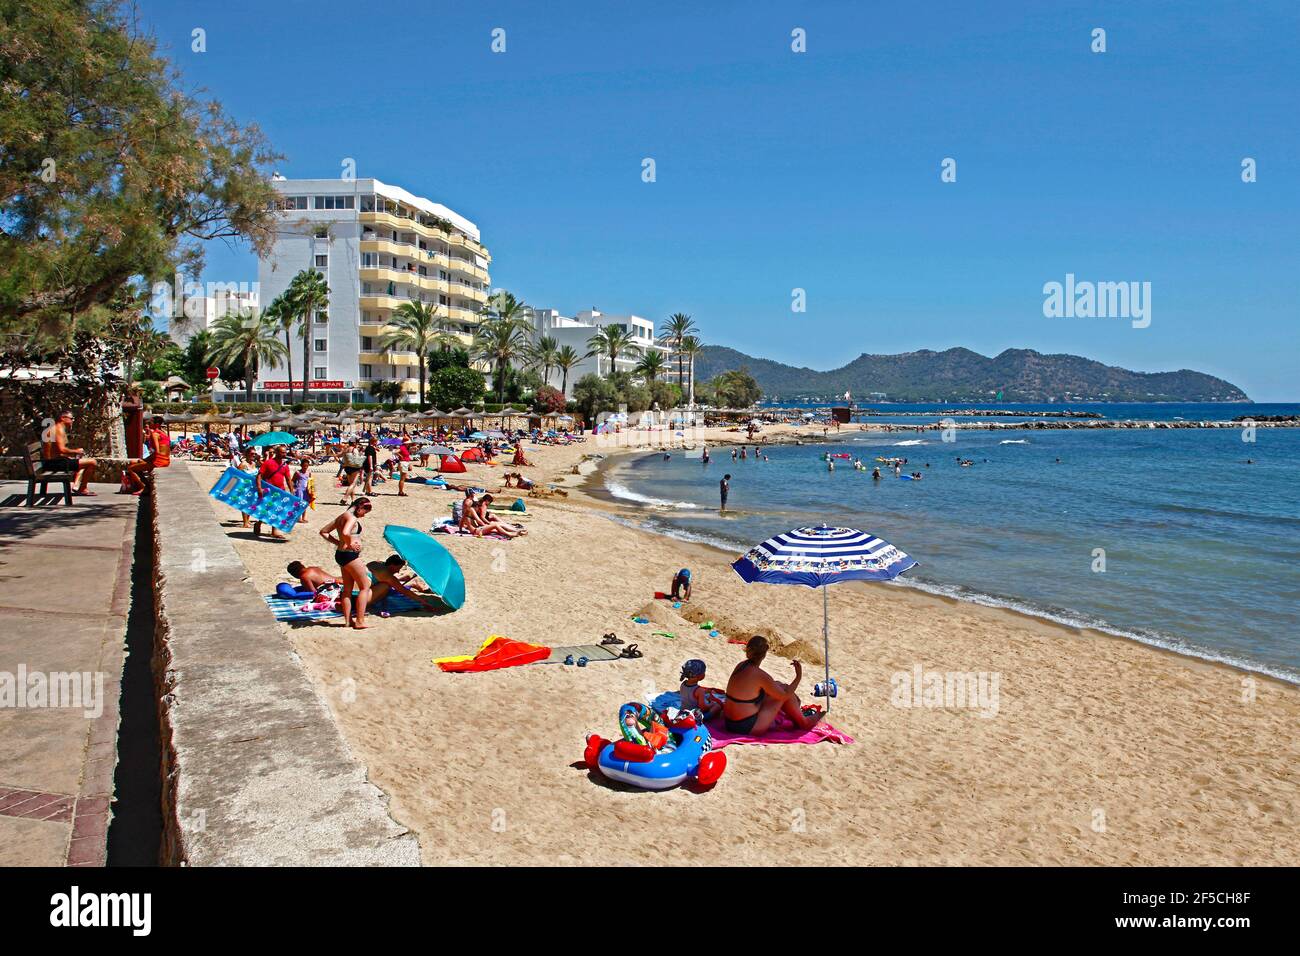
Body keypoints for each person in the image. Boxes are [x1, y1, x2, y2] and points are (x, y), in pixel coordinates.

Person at [722, 635, 822, 735]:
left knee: (778, 685)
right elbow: (784, 695)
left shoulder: (741, 665)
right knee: (785, 691)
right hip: (747, 727)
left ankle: (797, 712)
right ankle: (804, 722)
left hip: (729, 723)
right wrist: (798, 677)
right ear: (764, 655)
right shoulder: (760, 675)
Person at [320, 497, 373, 629]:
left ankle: (348, 621)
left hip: (341, 554)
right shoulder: (351, 517)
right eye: (365, 510)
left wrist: (339, 543)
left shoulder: (341, 517)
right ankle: (360, 621)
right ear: (360, 507)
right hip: (349, 555)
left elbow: (324, 532)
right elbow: (345, 532)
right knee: (365, 586)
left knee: (347, 589)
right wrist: (349, 544)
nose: (365, 514)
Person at [41, 409, 98, 495]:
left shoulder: (56, 428)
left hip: (52, 461)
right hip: (54, 464)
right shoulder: (58, 429)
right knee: (92, 462)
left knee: (81, 460)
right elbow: (62, 449)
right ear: (63, 418)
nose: (72, 421)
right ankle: (83, 488)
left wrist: (73, 454)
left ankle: (78, 485)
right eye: (71, 418)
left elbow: (58, 451)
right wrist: (76, 451)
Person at [365, 554, 444, 612]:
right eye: (398, 568)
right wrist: (424, 603)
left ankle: (411, 582)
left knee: (387, 584)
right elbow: (404, 591)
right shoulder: (387, 575)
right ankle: (368, 605)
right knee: (386, 586)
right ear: (392, 565)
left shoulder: (376, 563)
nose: (398, 571)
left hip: (356, 592)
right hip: (358, 599)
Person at [121, 416, 172, 495]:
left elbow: (157, 451)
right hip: (166, 460)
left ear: (157, 424)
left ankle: (143, 487)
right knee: (135, 463)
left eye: (151, 422)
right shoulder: (164, 434)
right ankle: (145, 486)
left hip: (159, 461)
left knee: (131, 468)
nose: (149, 423)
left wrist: (147, 460)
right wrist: (145, 460)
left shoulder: (155, 434)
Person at [253, 445, 293, 539]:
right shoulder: (268, 463)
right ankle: (258, 523)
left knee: (277, 510)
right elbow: (259, 476)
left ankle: (274, 531)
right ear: (277, 453)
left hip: (280, 491)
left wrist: (291, 490)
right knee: (265, 510)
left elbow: (288, 479)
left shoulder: (285, 465)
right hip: (268, 491)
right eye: (282, 452)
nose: (284, 454)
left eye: (285, 452)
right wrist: (259, 488)